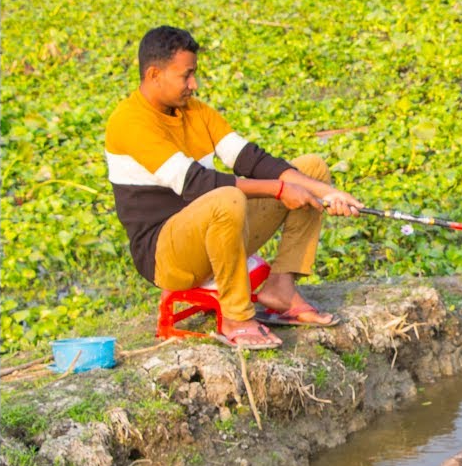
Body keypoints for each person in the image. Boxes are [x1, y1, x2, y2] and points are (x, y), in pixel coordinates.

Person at [105, 25, 363, 349]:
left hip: (216, 231)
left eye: (194, 75)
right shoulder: (129, 122)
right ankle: (237, 316)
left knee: (311, 168)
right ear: (155, 74)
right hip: (167, 255)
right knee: (226, 198)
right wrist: (280, 191)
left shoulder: (196, 112)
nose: (194, 85)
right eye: (186, 76)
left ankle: (280, 289)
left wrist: (327, 193)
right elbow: (197, 183)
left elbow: (252, 160)